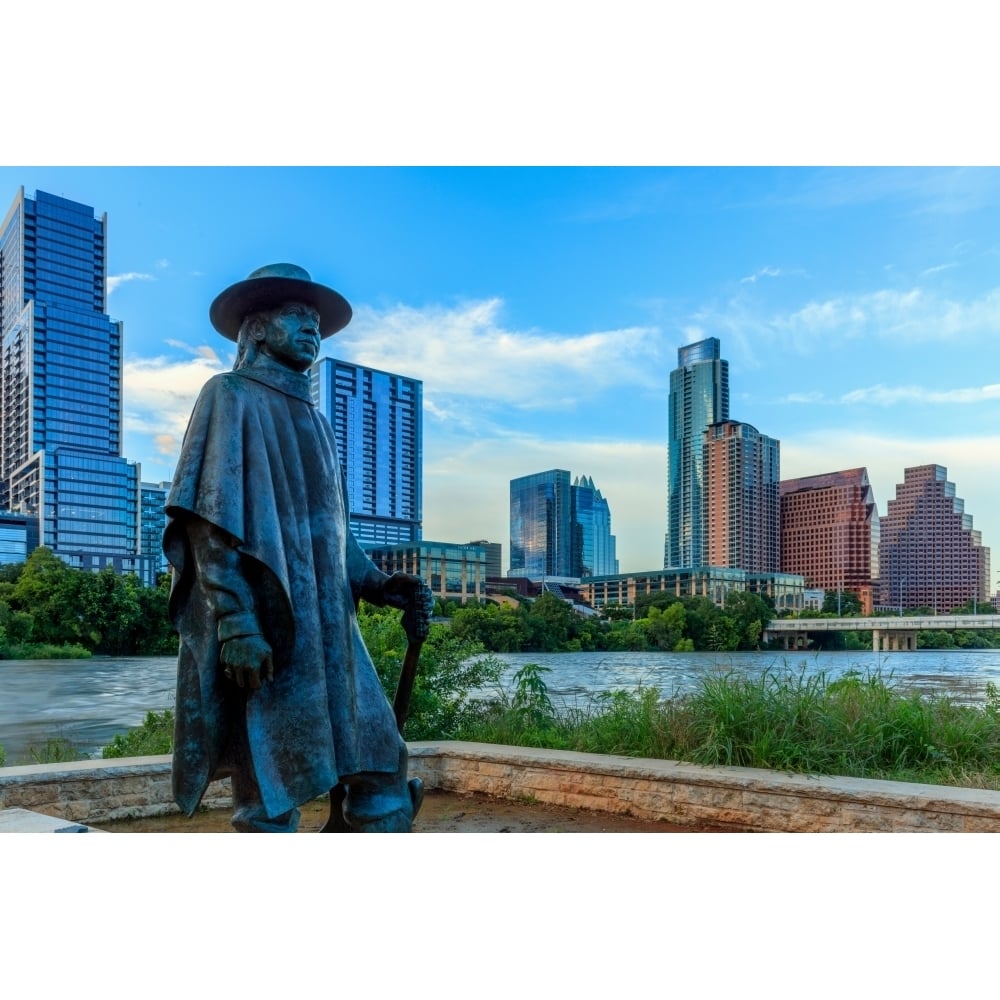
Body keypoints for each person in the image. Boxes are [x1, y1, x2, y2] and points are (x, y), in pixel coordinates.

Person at [164, 263, 432, 833]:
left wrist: (380, 585)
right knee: (269, 786)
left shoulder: (317, 420)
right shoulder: (227, 395)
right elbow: (207, 524)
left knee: (382, 764)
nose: (311, 326)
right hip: (272, 624)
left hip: (333, 632)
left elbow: (332, 533)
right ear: (257, 329)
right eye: (296, 315)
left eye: (315, 319)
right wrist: (237, 621)